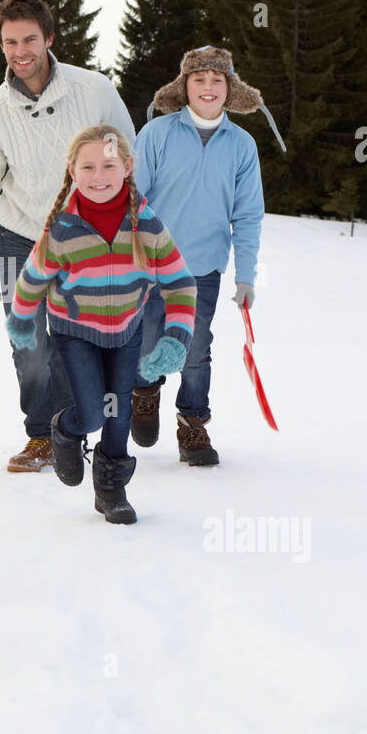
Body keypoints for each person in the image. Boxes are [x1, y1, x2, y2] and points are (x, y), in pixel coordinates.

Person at [0, 0, 135, 473]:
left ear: (49, 39)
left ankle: (73, 427)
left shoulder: (94, 90)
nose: (20, 51)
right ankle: (42, 435)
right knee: (30, 345)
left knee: (75, 339)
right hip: (22, 235)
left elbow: (129, 155)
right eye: (9, 41)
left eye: (29, 40)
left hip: (86, 234)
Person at [5, 126, 196, 523]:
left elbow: (180, 282)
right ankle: (67, 430)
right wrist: (22, 316)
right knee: (92, 413)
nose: (98, 175)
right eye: (88, 166)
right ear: (72, 171)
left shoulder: (147, 224)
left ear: (126, 167)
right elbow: (34, 276)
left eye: (108, 165)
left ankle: (111, 489)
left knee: (118, 413)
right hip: (75, 334)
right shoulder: (63, 226)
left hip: (126, 333)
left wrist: (176, 337)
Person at [129, 45, 285, 465]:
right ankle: (144, 393)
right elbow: (133, 199)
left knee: (196, 346)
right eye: (199, 79)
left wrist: (246, 276)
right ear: (185, 87)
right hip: (152, 263)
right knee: (147, 336)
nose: (208, 86)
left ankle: (193, 423)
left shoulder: (241, 145)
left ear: (230, 89)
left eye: (217, 80)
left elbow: (248, 214)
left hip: (204, 267)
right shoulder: (157, 134)